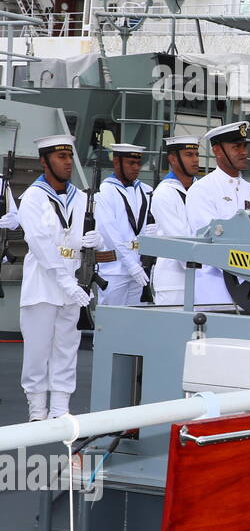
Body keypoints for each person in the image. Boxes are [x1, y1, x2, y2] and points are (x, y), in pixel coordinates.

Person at [17, 135, 101, 421]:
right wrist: (67, 283)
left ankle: (60, 409)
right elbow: (41, 246)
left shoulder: (81, 197)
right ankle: (37, 410)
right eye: (60, 157)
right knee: (38, 351)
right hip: (44, 283)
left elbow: (79, 238)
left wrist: (95, 239)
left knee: (67, 348)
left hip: (73, 280)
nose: (68, 163)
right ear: (44, 161)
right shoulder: (33, 197)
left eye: (69, 157)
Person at [186, 122, 250, 304]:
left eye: (245, 146)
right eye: (236, 147)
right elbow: (211, 239)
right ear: (217, 151)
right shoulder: (202, 190)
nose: (244, 152)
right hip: (215, 292)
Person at [97, 143, 156, 306]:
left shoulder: (147, 190)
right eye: (131, 163)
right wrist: (131, 265)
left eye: (138, 163)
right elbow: (110, 233)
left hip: (142, 266)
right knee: (111, 322)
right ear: (117, 163)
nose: (136, 167)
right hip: (115, 270)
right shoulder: (105, 191)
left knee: (135, 323)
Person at [149, 135, 201, 305]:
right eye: (188, 154)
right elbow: (181, 240)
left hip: (203, 279)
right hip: (174, 283)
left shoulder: (203, 190)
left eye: (196, 154)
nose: (195, 159)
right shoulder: (164, 193)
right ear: (173, 159)